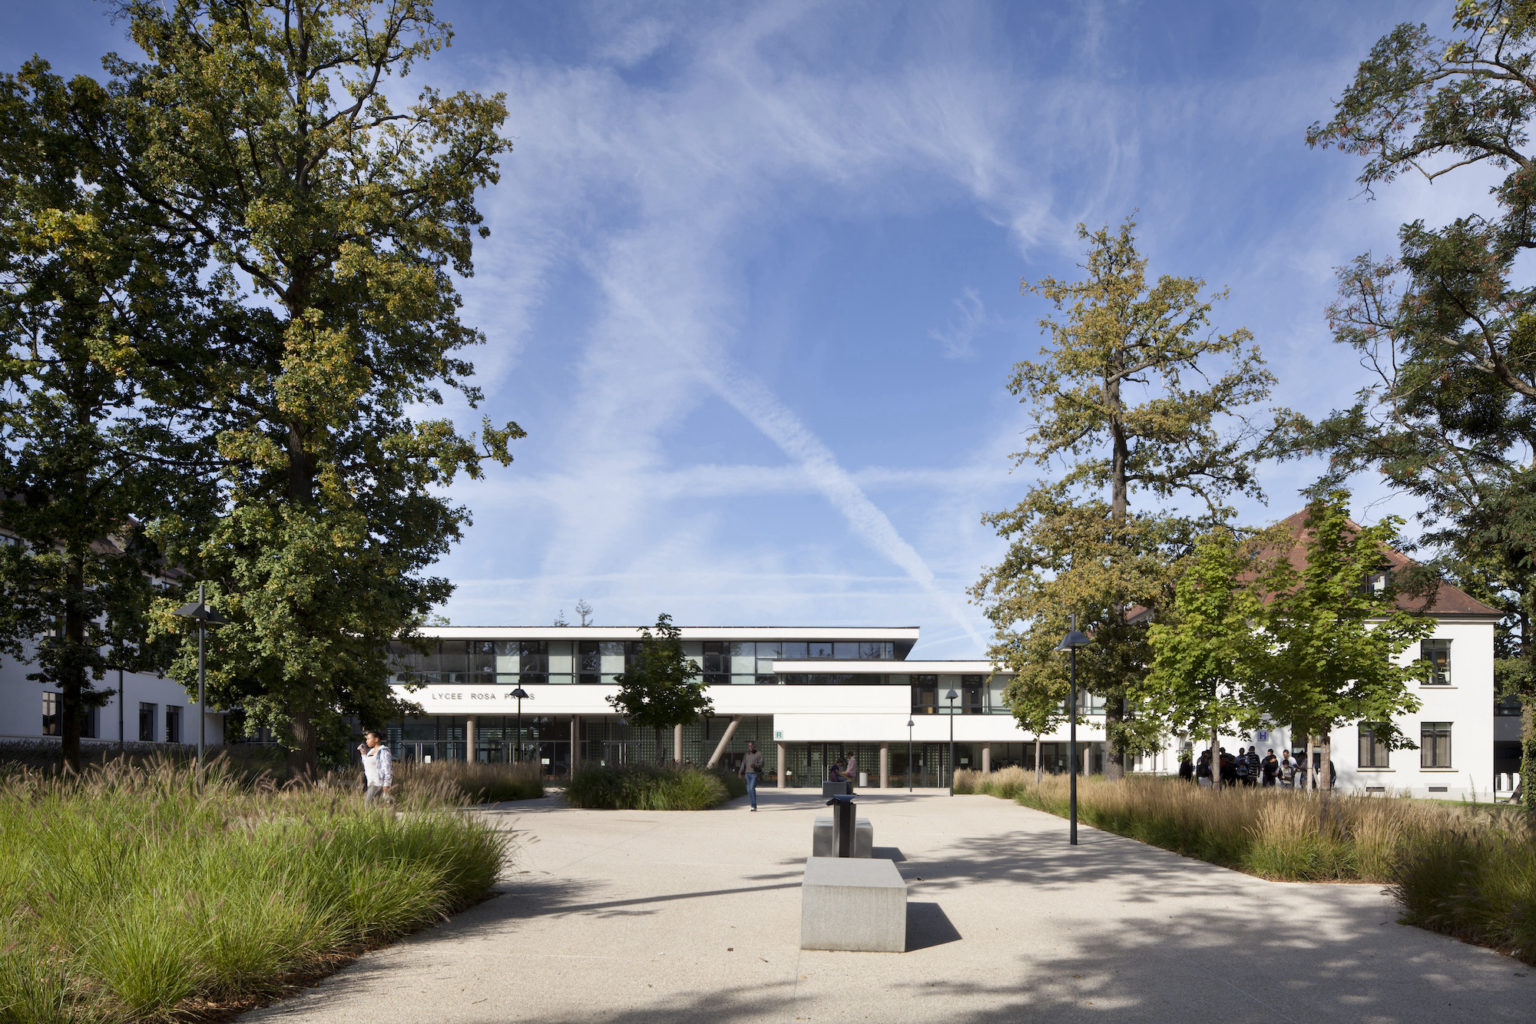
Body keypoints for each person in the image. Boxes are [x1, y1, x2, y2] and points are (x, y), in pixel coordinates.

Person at [359, 729, 392, 805]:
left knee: (367, 804)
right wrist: (363, 754)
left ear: (376, 739)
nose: (366, 741)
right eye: (366, 739)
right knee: (373, 805)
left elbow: (387, 769)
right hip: (369, 782)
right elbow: (367, 765)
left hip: (378, 783)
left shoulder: (383, 751)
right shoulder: (371, 751)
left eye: (368, 739)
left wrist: (386, 784)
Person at [740, 740, 764, 812]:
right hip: (747, 774)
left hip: (754, 774)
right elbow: (743, 764)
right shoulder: (746, 754)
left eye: (751, 746)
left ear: (754, 746)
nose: (750, 747)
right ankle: (752, 805)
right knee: (748, 790)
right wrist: (740, 772)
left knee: (751, 788)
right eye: (749, 746)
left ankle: (754, 806)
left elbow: (762, 763)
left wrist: (755, 765)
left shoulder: (758, 754)